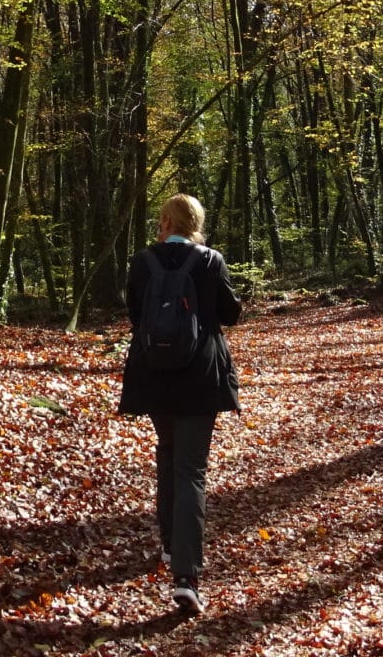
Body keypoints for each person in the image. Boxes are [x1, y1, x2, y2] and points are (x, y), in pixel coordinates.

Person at [118, 193, 242, 616]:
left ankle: (171, 547)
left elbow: (135, 314)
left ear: (167, 221)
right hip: (200, 378)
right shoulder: (211, 261)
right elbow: (230, 315)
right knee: (191, 468)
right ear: (196, 222)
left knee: (169, 454)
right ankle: (186, 577)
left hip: (153, 376)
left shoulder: (142, 261)